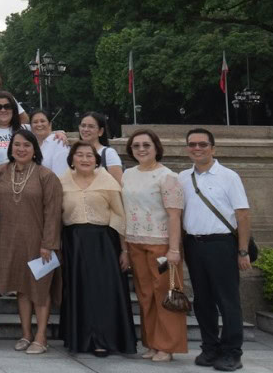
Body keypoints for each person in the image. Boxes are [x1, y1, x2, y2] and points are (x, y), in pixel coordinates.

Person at [179, 128, 252, 372]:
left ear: (213, 148)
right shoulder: (182, 178)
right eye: (192, 144)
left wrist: (242, 252)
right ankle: (210, 347)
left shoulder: (228, 176)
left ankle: (232, 351)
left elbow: (242, 214)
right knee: (202, 300)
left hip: (221, 244)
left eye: (202, 144)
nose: (197, 149)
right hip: (193, 244)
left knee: (227, 300)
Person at [59, 141, 136, 357]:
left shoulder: (108, 182)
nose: (84, 159)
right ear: (72, 159)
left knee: (103, 293)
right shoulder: (61, 182)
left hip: (104, 244)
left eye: (89, 156)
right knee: (78, 291)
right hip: (74, 242)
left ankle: (103, 339)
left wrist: (124, 250)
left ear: (96, 160)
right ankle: (80, 339)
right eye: (80, 155)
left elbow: (120, 216)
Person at [0, 130, 63, 355]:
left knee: (40, 289)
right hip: (10, 239)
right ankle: (25, 334)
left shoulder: (46, 175)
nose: (21, 149)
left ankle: (41, 337)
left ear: (34, 150)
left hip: (38, 241)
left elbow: (53, 212)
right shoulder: (1, 171)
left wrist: (48, 243)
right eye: (17, 145)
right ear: (11, 148)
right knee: (21, 288)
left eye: (26, 146)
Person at [123, 129, 187, 363]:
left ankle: (166, 346)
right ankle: (151, 342)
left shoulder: (168, 176)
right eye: (136, 145)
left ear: (156, 147)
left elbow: (174, 215)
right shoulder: (127, 174)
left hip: (161, 245)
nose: (141, 149)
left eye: (146, 145)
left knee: (165, 294)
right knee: (145, 295)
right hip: (135, 242)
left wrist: (174, 249)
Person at [78, 112, 124, 183]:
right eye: (83, 126)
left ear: (100, 131)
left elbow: (119, 184)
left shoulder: (108, 154)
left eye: (91, 126)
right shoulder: (74, 153)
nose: (86, 129)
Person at [29, 110, 71, 174]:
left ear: (50, 124)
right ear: (31, 126)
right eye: (35, 122)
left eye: (42, 121)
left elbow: (61, 174)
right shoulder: (30, 145)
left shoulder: (59, 142)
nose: (39, 124)